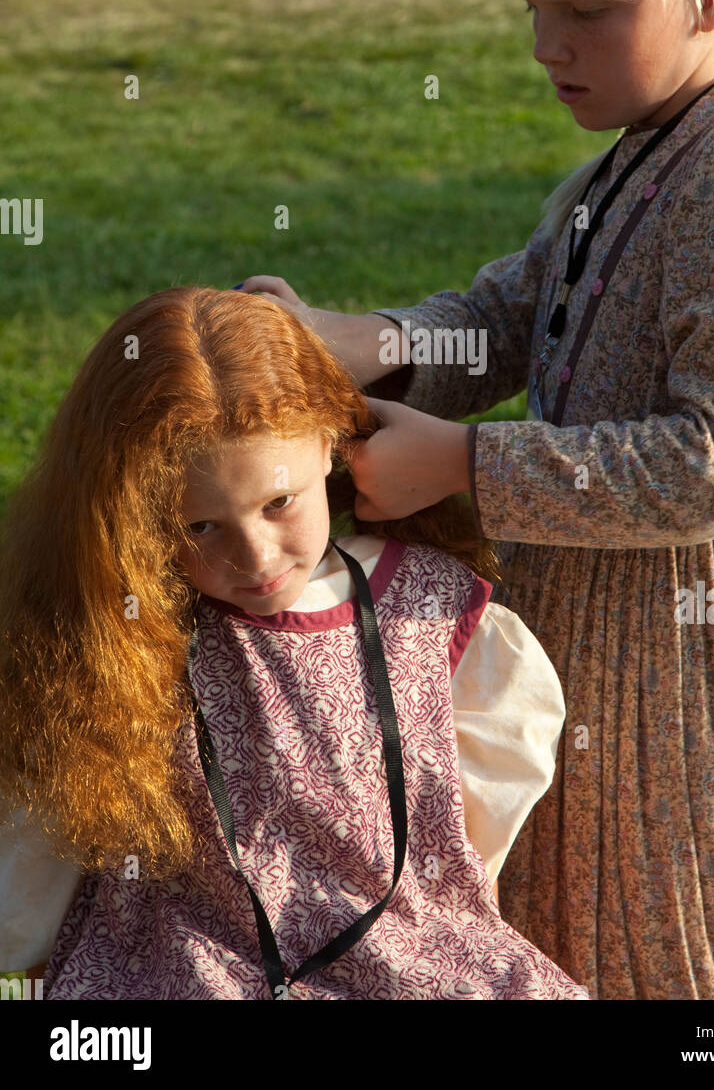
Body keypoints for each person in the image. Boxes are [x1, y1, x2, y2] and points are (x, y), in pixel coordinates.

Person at [235, 0, 714, 1000]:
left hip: (701, 652)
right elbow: (504, 325)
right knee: (587, 915)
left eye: (584, 10)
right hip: (593, 614)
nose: (546, 46)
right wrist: (344, 345)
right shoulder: (622, 158)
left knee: (689, 943)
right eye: (535, 12)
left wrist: (468, 470)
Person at [0, 287, 588, 1001]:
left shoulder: (427, 612)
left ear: (331, 441)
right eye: (199, 527)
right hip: (184, 969)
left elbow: (472, 841)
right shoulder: (115, 633)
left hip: (415, 959)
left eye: (279, 503)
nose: (255, 557)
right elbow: (37, 861)